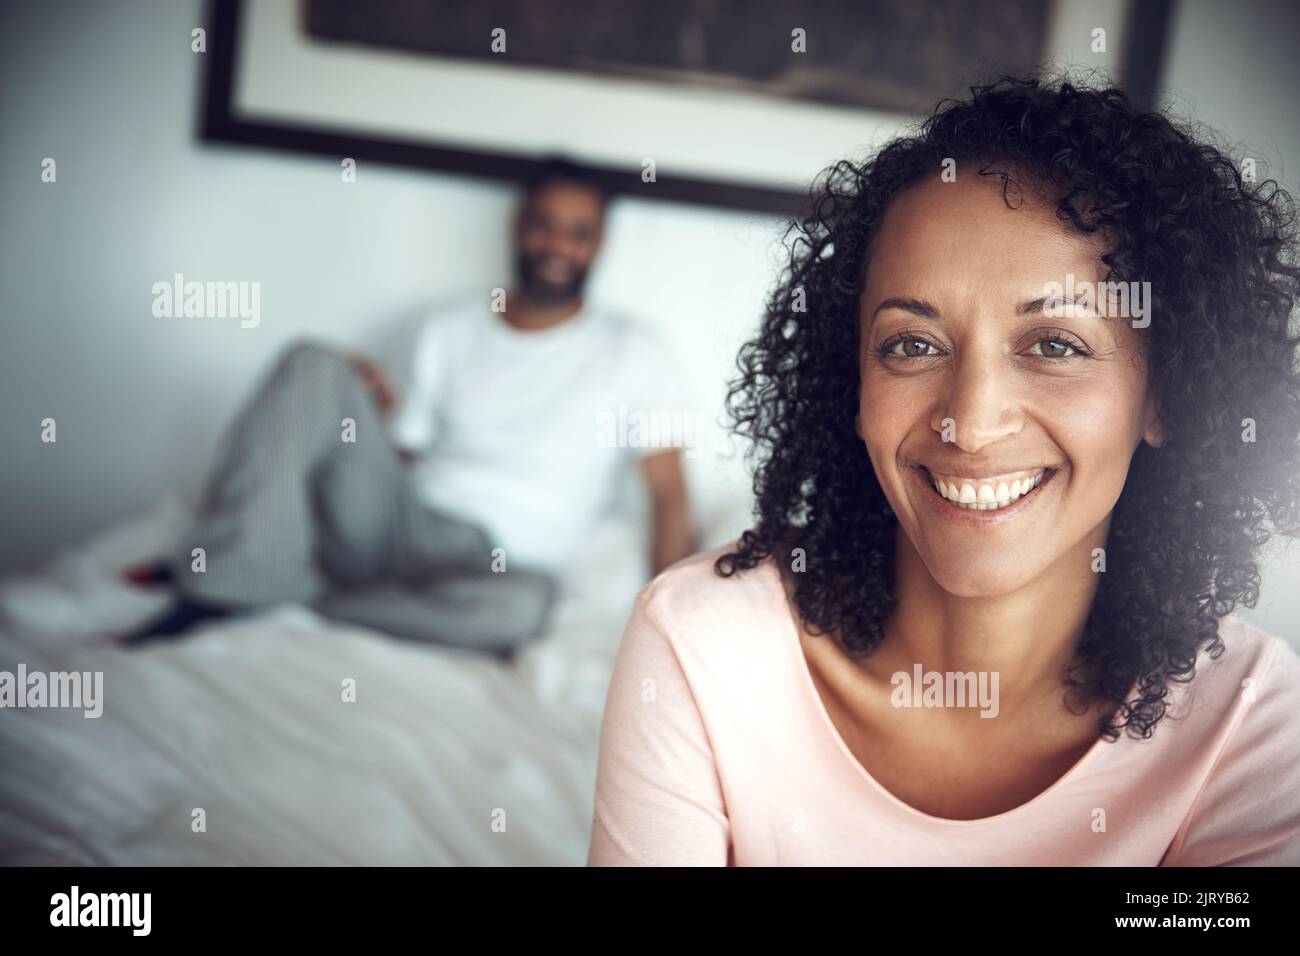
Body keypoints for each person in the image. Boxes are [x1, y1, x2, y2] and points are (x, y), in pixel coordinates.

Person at [586, 76, 1300, 865]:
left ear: (1164, 396)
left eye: (1055, 346)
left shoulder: (1254, 722)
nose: (970, 421)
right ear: (852, 384)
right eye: (912, 345)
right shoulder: (702, 644)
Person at [124, 158, 696, 651]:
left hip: (499, 566)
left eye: (579, 232)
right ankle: (225, 584)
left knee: (523, 611)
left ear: (599, 245)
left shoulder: (635, 351)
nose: (558, 246)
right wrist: (363, 413)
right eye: (544, 226)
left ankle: (296, 599)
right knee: (315, 365)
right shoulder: (448, 329)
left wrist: (670, 624)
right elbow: (400, 456)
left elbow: (668, 494)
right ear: (517, 226)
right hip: (399, 526)